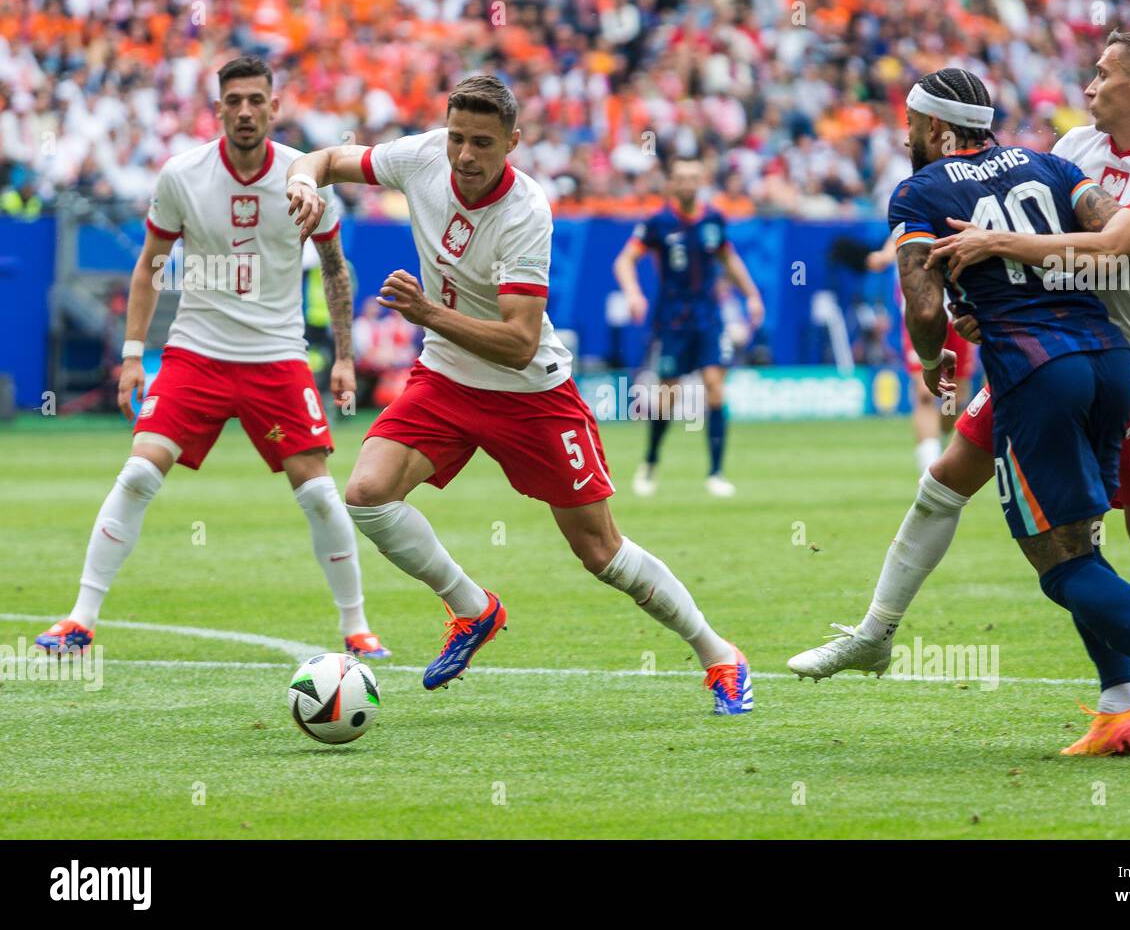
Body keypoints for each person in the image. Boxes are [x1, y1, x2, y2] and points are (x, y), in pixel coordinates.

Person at [792, 35, 1130, 753]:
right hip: (1058, 350)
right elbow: (1024, 204)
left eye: (1103, 75)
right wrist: (980, 299)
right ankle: (1106, 702)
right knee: (949, 483)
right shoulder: (1072, 149)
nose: (1088, 88)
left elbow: (1110, 243)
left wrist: (993, 250)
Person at [284, 76, 752, 714]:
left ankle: (719, 655)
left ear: (513, 141)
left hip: (531, 393)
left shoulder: (526, 210)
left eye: (482, 142)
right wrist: (305, 181)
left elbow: (519, 342)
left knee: (600, 551)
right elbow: (329, 159)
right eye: (456, 138)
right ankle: (473, 609)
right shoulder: (423, 157)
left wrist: (426, 312)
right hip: (447, 378)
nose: (465, 156)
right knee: (366, 495)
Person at [36, 57, 388, 659]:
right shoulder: (183, 174)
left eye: (257, 100)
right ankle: (80, 619)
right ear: (219, 108)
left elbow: (335, 270)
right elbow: (147, 265)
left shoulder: (304, 179)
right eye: (235, 101)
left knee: (321, 493)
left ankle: (356, 627)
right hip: (195, 354)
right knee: (140, 470)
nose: (246, 111)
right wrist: (130, 356)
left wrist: (347, 358)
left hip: (277, 357)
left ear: (274, 108)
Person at [612, 158, 765, 498]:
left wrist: (752, 295)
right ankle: (650, 462)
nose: (686, 183)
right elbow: (624, 260)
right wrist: (634, 292)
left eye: (693, 178)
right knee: (669, 395)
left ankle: (716, 472)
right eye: (680, 178)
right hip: (673, 319)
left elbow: (729, 260)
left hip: (708, 316)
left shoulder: (713, 220)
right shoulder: (658, 223)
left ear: (702, 181)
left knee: (715, 386)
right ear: (671, 182)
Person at [865, 239, 976, 473]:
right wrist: (884, 256)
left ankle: (941, 437)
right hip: (920, 320)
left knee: (953, 397)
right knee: (925, 393)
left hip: (959, 315)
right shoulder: (911, 216)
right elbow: (899, 238)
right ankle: (929, 467)